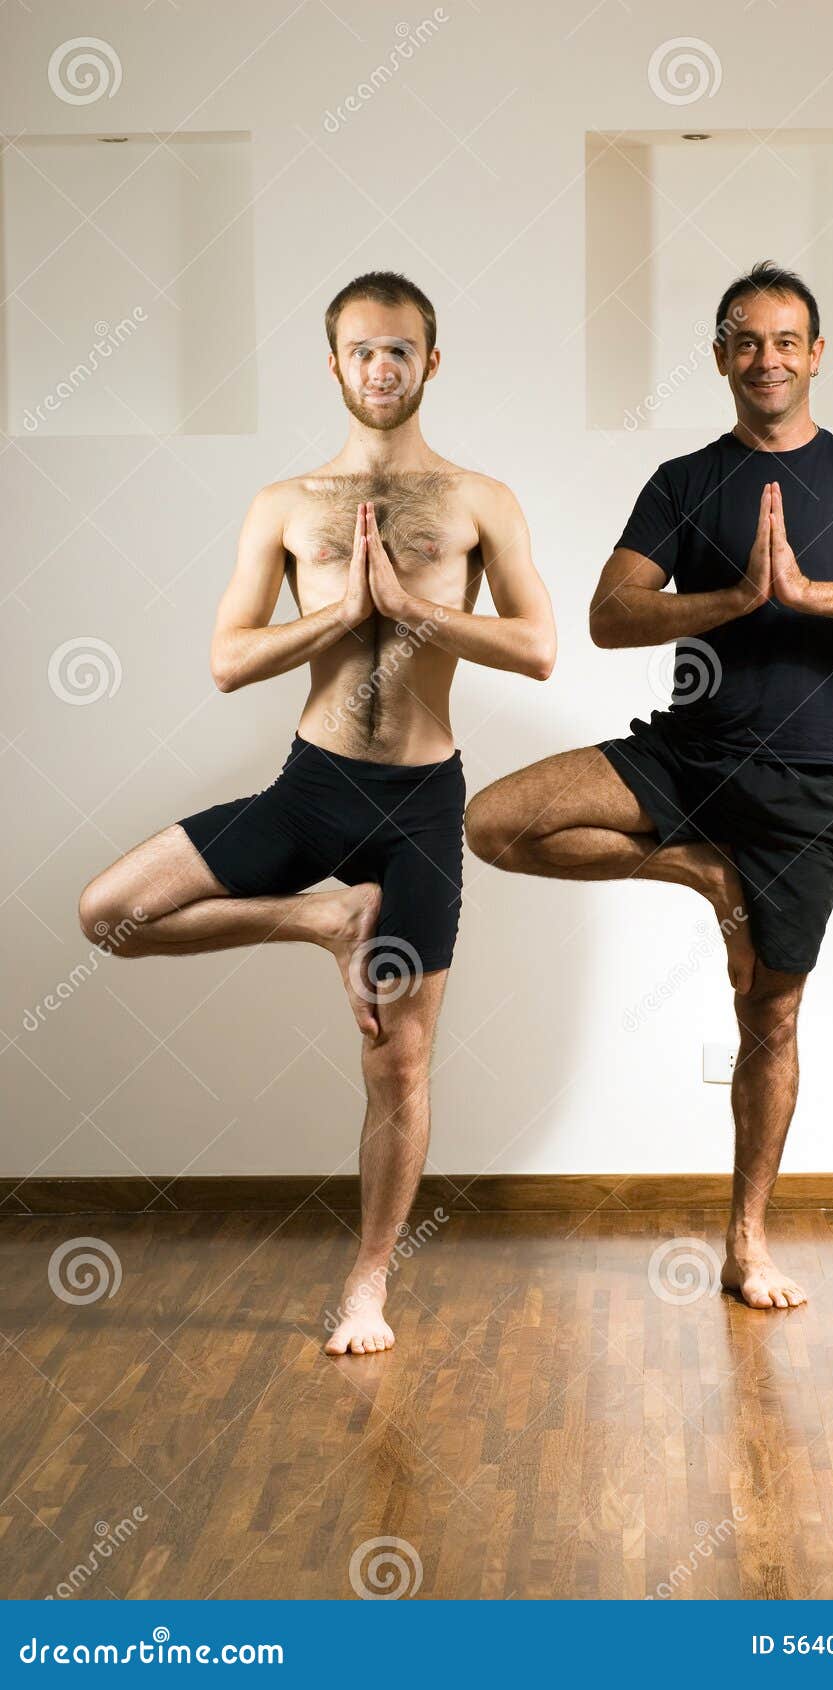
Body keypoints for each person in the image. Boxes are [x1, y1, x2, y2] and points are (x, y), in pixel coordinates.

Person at [465, 260, 833, 1310]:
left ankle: (746, 1243)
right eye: (745, 341)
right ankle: (705, 876)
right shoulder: (684, 481)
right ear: (719, 357)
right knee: (494, 820)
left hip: (806, 784)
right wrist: (732, 598)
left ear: (816, 354)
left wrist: (808, 593)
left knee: (770, 1021)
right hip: (687, 757)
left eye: (786, 340)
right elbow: (608, 614)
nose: (767, 358)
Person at [77, 271, 556, 1355]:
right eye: (360, 350)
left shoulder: (483, 500)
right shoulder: (284, 506)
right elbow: (226, 660)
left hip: (420, 804)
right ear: (332, 364)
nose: (380, 368)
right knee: (109, 913)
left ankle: (368, 1285)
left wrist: (415, 609)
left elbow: (537, 647)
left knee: (397, 1058)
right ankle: (325, 920)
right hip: (312, 785)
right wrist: (338, 614)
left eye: (400, 350)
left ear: (431, 362)